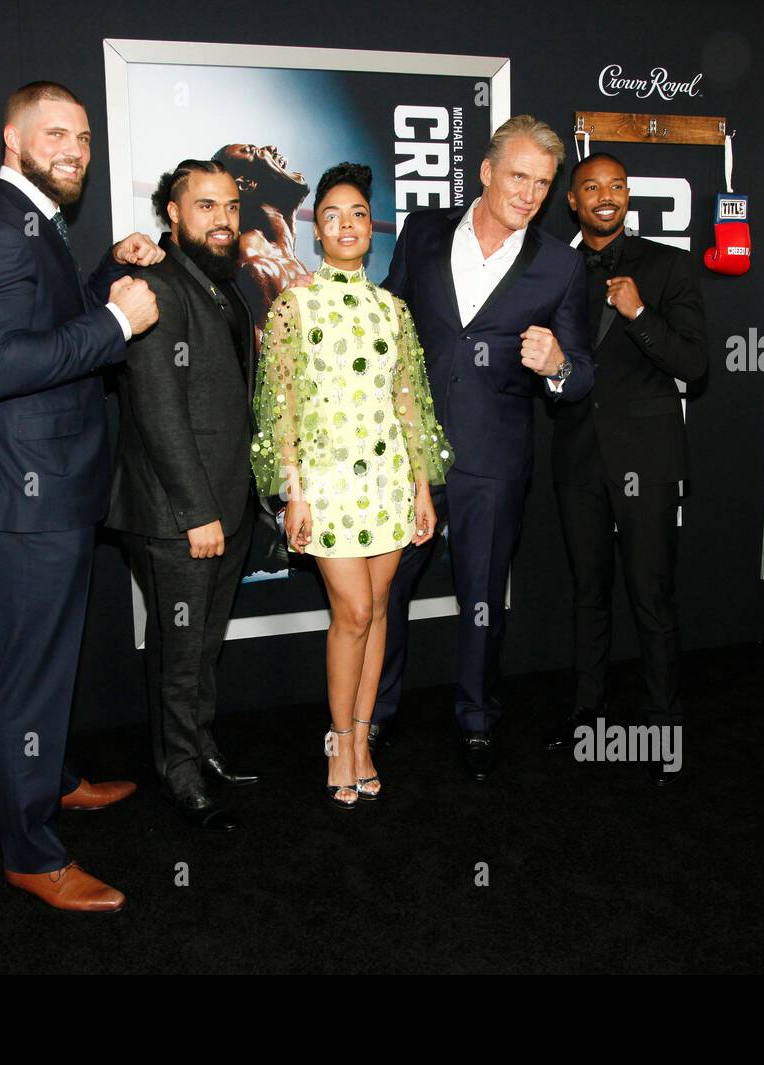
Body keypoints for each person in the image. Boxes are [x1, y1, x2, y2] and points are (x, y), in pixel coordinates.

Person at [0, 81, 161, 912]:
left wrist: (109, 273)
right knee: (30, 676)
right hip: (27, 501)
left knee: (45, 665)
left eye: (84, 136)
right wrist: (116, 325)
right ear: (12, 139)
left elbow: (41, 324)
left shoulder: (37, 222)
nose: (75, 148)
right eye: (56, 133)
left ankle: (55, 778)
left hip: (55, 489)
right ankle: (31, 852)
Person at [370, 115, 594, 780]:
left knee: (481, 595)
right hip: (406, 452)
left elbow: (582, 372)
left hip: (494, 460)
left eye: (543, 184)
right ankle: (374, 713)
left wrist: (556, 363)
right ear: (488, 170)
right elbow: (389, 312)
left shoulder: (561, 264)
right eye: (518, 176)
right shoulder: (424, 230)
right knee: (387, 593)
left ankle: (476, 717)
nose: (528, 193)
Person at [252, 162, 453, 808]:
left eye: (358, 214)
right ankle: (339, 741)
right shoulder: (294, 305)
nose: (345, 224)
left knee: (380, 611)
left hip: (390, 480)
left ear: (371, 229)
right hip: (327, 486)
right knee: (355, 612)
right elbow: (278, 406)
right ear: (317, 231)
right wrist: (294, 492)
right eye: (332, 215)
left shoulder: (392, 310)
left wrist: (422, 488)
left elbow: (410, 405)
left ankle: (363, 738)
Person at [544, 152, 708, 785]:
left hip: (647, 457)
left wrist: (640, 314)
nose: (604, 197)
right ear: (573, 201)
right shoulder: (551, 266)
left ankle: (664, 727)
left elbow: (695, 365)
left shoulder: (667, 265)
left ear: (628, 197)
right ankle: (589, 713)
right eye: (591, 188)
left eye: (615, 187)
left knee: (652, 593)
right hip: (578, 454)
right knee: (589, 591)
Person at [107, 159, 260, 833]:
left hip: (227, 504)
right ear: (172, 213)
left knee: (203, 646)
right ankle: (180, 774)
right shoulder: (157, 286)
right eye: (205, 206)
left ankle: (198, 747)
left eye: (230, 206)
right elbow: (158, 410)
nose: (222, 219)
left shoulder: (227, 286)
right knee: (180, 651)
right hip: (181, 513)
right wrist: (198, 512)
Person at [212, 142, 312, 343]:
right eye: (253, 152)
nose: (272, 149)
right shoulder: (254, 264)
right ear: (246, 184)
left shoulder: (284, 257)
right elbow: (264, 364)